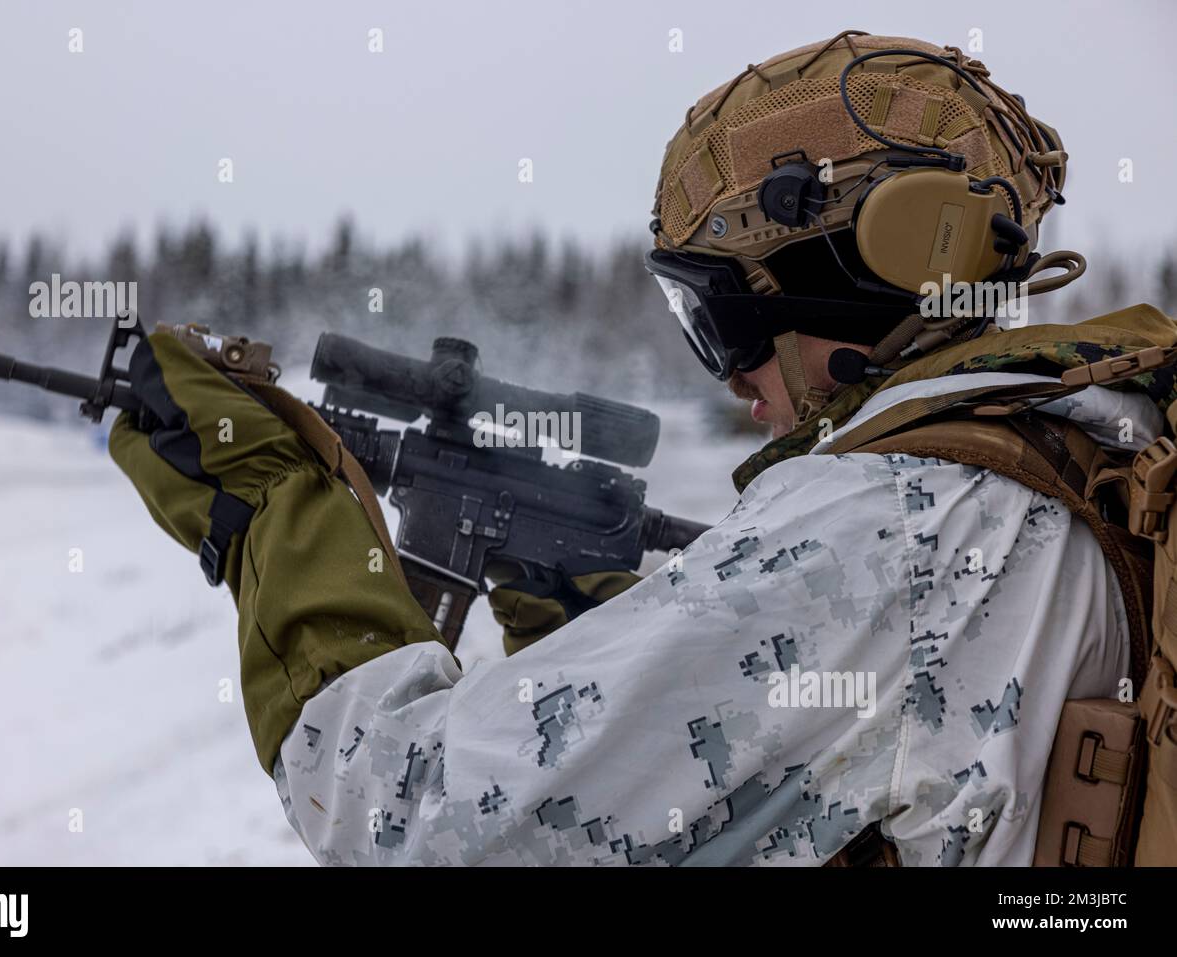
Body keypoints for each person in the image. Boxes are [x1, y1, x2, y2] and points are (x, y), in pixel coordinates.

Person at [109, 32, 1174, 865]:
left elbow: (413, 819)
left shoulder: (891, 524)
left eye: (721, 319)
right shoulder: (1102, 443)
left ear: (856, 271)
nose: (730, 377)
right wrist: (599, 638)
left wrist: (280, 509)